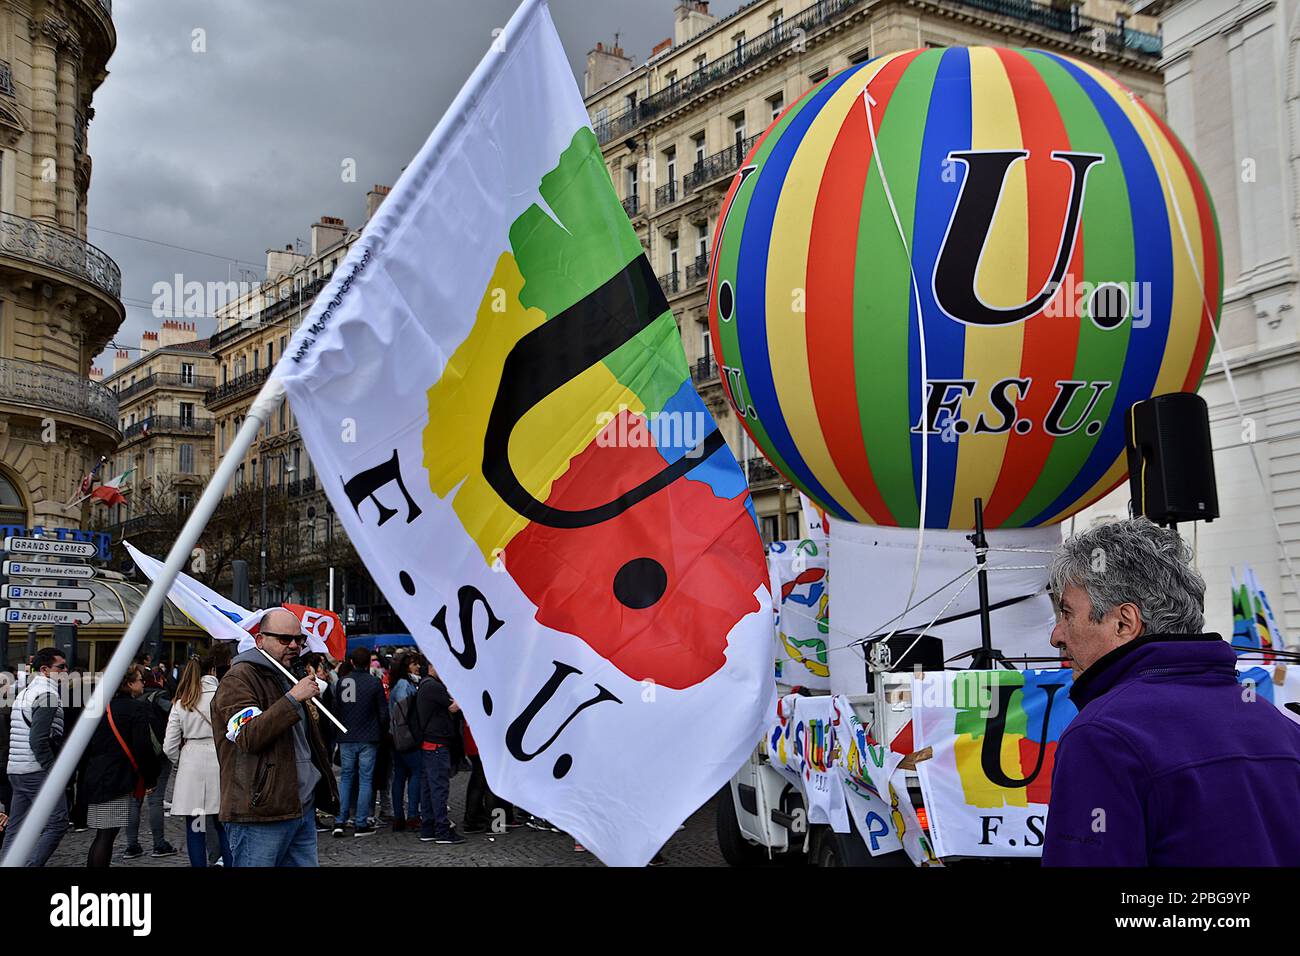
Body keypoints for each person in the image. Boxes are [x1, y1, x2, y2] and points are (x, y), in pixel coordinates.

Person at [1043, 518, 1300, 866]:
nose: (1057, 635)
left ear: (1124, 623)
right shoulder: (1278, 725)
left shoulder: (1103, 736)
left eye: (1067, 613)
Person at [211, 607, 339, 867]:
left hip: (299, 807)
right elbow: (248, 736)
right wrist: (292, 699)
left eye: (298, 639)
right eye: (284, 639)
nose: (293, 645)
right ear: (260, 640)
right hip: (260, 813)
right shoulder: (239, 678)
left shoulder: (289, 675)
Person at [80, 664, 161, 867]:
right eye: (140, 679)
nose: (143, 683)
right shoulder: (135, 708)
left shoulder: (97, 706)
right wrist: (151, 777)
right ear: (128, 683)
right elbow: (142, 747)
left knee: (104, 834)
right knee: (106, 836)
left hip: (97, 774)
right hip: (117, 777)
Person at [164, 644, 234, 867]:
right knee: (224, 826)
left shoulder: (181, 701)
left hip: (191, 764)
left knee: (195, 828)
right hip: (220, 761)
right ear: (213, 671)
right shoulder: (225, 695)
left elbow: (169, 746)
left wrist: (182, 760)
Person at [4, 647, 68, 866]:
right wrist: (52, 771)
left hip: (18, 769)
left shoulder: (27, 691)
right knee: (57, 822)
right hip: (35, 770)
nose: (66, 670)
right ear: (45, 669)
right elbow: (38, 739)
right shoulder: (47, 695)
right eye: (61, 667)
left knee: (17, 827)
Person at [331, 647, 388, 837]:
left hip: (346, 736)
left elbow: (336, 710)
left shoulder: (342, 682)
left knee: (346, 778)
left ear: (353, 663)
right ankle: (361, 822)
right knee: (365, 780)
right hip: (368, 736)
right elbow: (383, 713)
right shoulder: (374, 683)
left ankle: (340, 819)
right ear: (368, 663)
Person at [123, 661, 177, 859]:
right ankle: (159, 844)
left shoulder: (125, 703)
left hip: (132, 755)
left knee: (134, 802)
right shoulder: (159, 696)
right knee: (155, 800)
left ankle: (132, 846)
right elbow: (174, 714)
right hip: (157, 754)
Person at [414, 663, 464, 845]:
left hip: (429, 742)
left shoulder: (425, 684)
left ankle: (428, 828)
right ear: (430, 666)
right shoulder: (433, 686)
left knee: (428, 787)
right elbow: (453, 707)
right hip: (437, 743)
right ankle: (442, 830)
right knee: (438, 788)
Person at [388, 652, 422, 832]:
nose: (417, 667)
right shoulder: (404, 685)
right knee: (416, 772)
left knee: (400, 777)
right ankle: (412, 815)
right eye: (414, 664)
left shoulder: (398, 684)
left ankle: (399, 816)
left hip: (396, 737)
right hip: (405, 738)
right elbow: (403, 712)